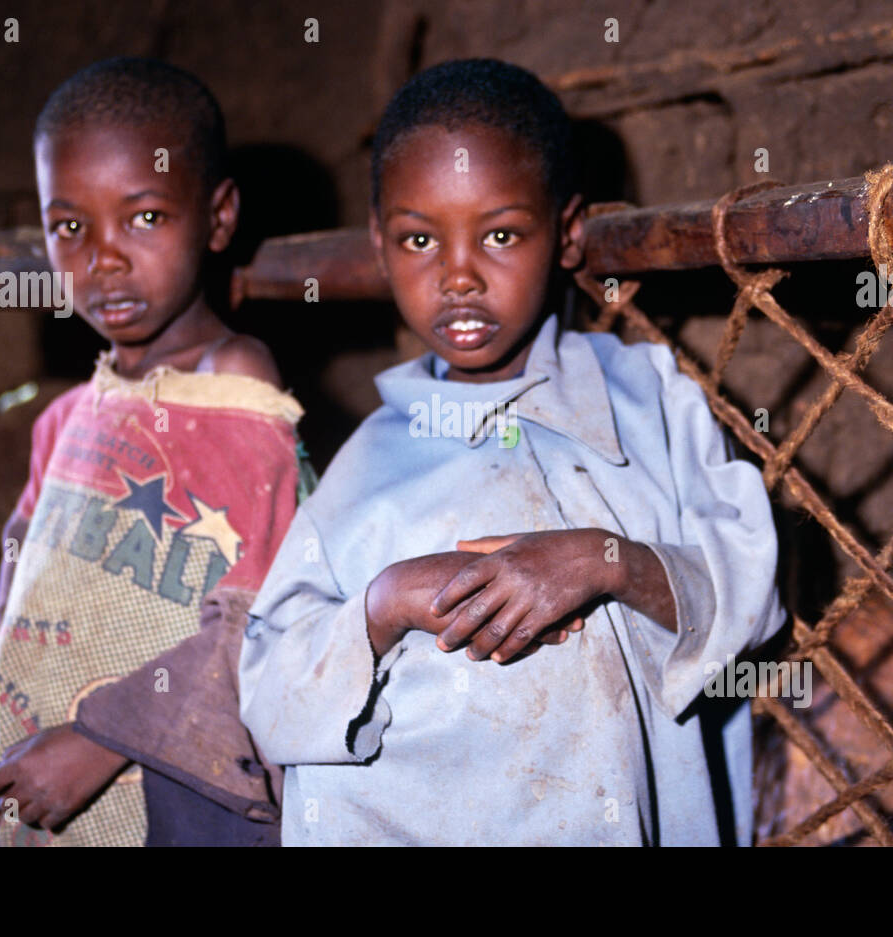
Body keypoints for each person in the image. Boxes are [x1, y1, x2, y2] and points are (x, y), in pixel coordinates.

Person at [238, 58, 785, 845]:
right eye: (419, 239)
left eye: (499, 234)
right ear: (380, 246)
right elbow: (269, 687)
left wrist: (609, 563)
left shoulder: (648, 399)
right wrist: (385, 602)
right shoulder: (366, 462)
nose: (458, 276)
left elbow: (752, 593)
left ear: (565, 234)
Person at [0, 58, 308, 846]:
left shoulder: (233, 381)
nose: (101, 257)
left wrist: (102, 739)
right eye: (70, 225)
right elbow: (32, 615)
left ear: (217, 218)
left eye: (142, 218)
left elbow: (263, 619)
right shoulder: (65, 421)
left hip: (171, 806)